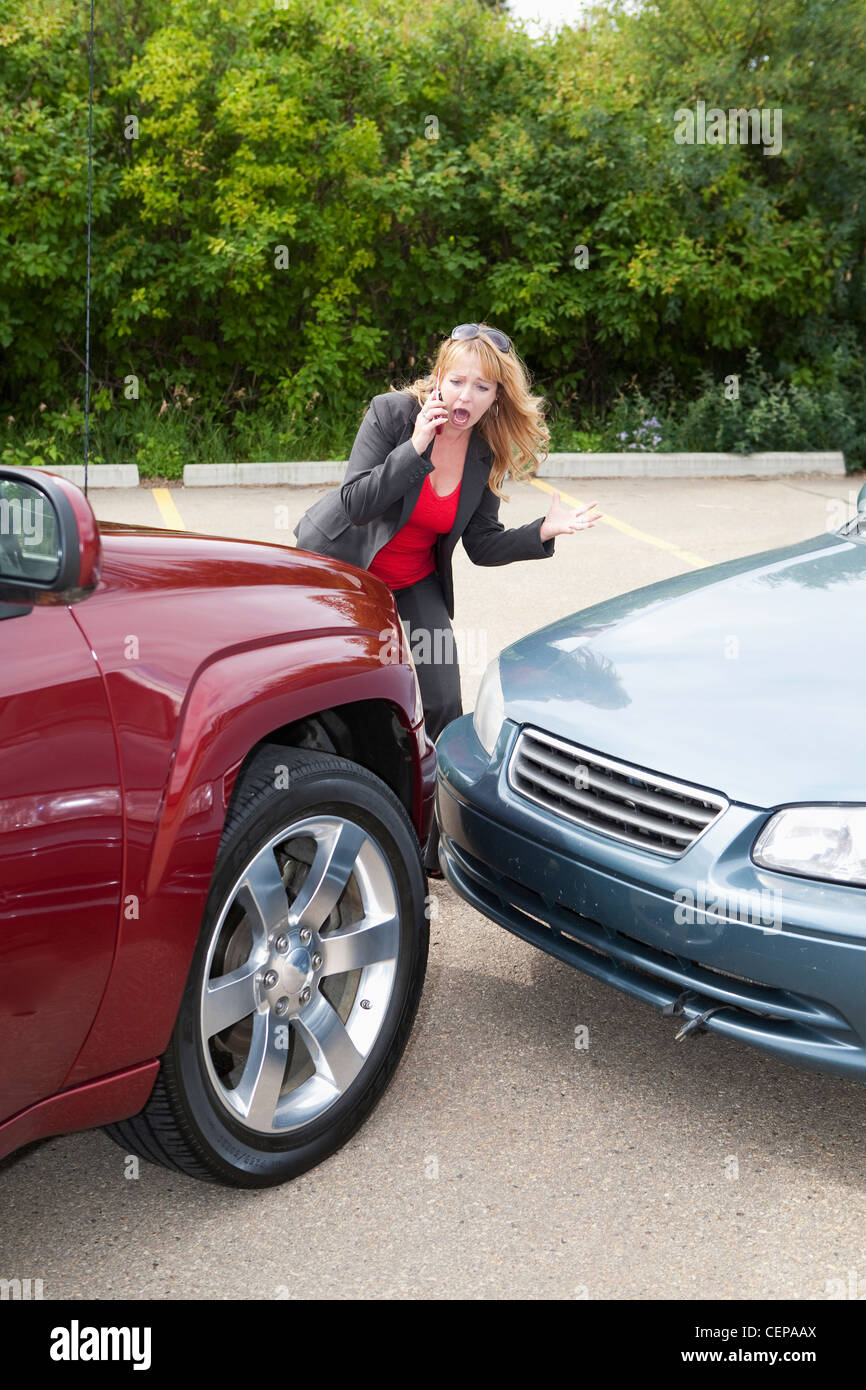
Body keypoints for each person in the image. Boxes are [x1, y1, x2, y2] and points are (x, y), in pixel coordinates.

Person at [293, 323, 602, 874]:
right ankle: (319, 819)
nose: (465, 396)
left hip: (414, 580)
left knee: (440, 701)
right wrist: (416, 447)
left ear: (496, 397)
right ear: (438, 378)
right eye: (456, 380)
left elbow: (481, 545)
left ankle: (428, 848)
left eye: (482, 388)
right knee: (339, 700)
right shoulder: (391, 414)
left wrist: (543, 532)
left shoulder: (483, 451)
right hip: (348, 573)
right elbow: (356, 502)